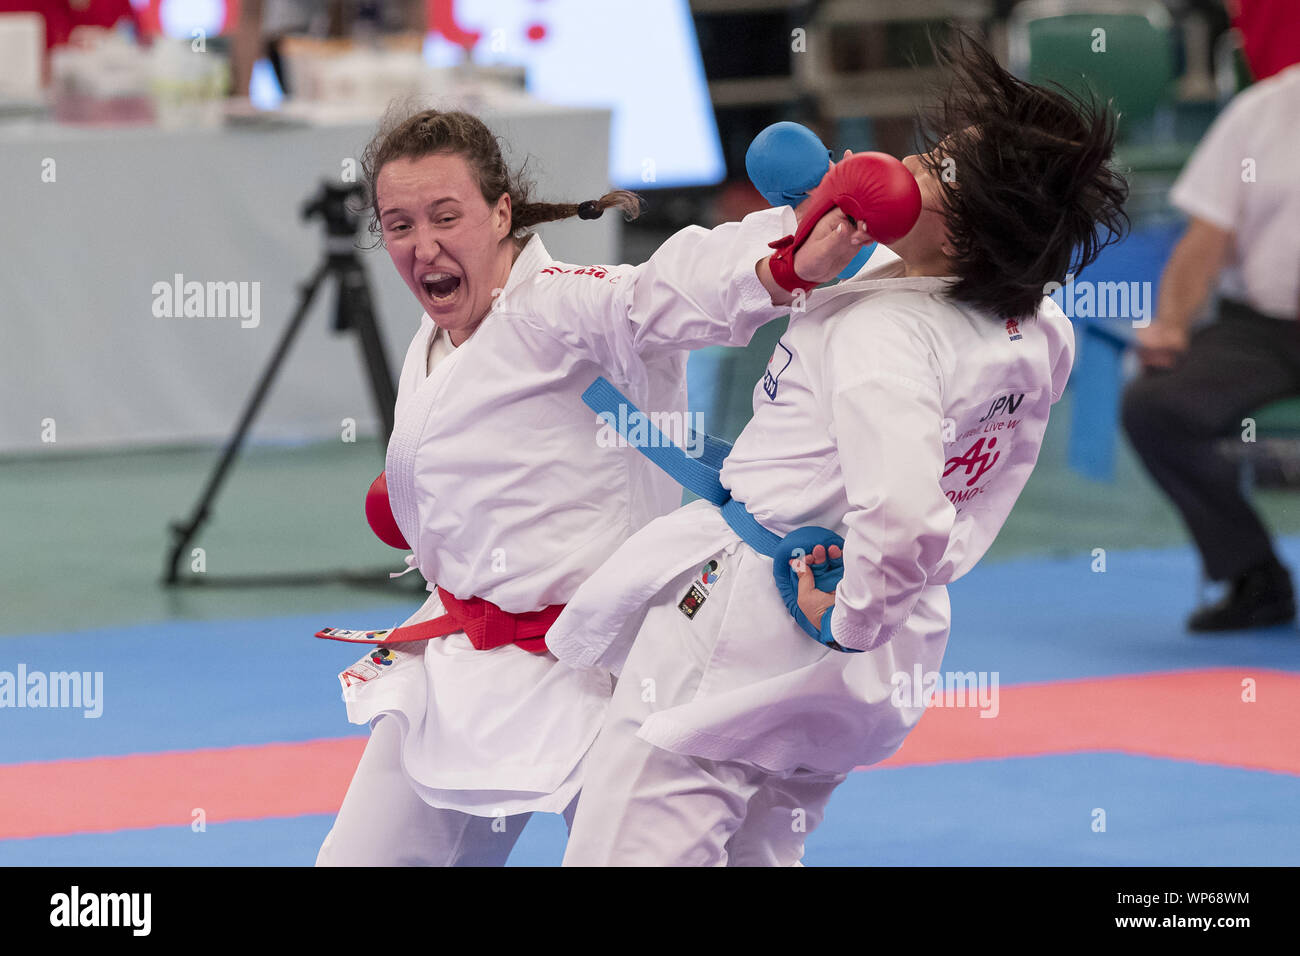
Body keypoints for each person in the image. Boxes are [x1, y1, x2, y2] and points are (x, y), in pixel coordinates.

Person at [545, 35, 1129, 866]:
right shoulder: (1038, 326)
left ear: (966, 235)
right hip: (882, 644)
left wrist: (851, 616)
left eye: (938, 168)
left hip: (766, 610)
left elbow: (903, 514)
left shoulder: (885, 336)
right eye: (933, 146)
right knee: (763, 846)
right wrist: (817, 208)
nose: (908, 163)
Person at [313, 107, 870, 865]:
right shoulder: (442, 331)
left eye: (446, 216)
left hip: (605, 670)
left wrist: (785, 261)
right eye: (399, 225)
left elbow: (654, 297)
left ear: (501, 213)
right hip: (466, 654)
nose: (423, 246)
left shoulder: (559, 303)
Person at [1121, 57, 1300, 633]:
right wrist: (1171, 323)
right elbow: (1207, 236)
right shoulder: (1260, 113)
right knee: (1155, 407)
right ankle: (1253, 573)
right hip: (1263, 328)